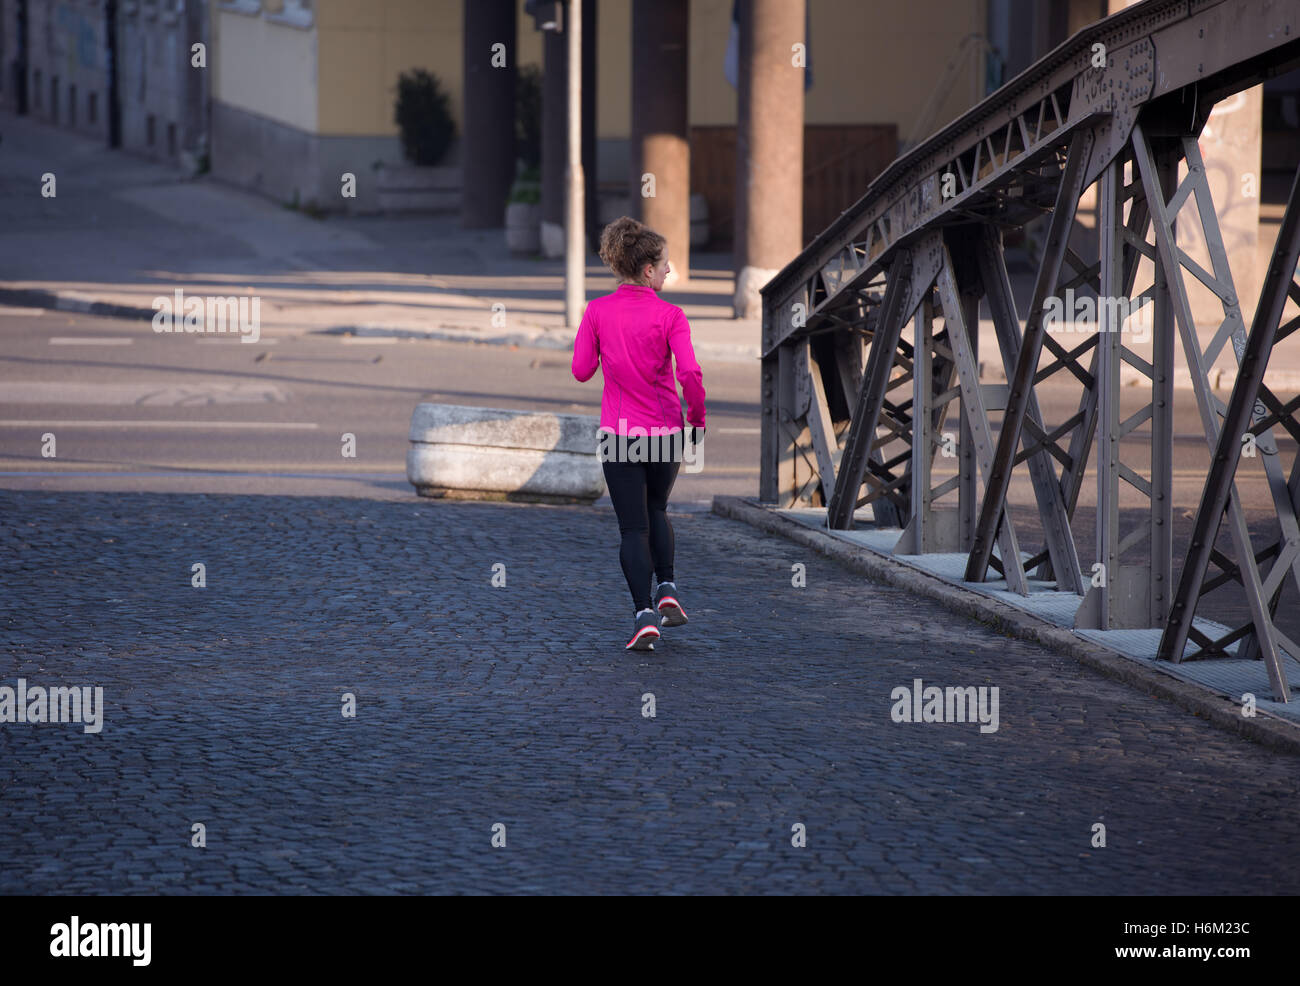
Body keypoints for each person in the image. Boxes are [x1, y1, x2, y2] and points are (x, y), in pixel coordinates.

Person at [571, 216, 707, 651]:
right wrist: (698, 420)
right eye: (665, 264)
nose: (669, 270)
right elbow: (689, 372)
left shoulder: (597, 311)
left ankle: (644, 613)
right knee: (657, 511)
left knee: (633, 528)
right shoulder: (671, 316)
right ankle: (667, 587)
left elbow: (580, 371)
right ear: (647, 270)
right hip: (666, 432)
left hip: (619, 433)